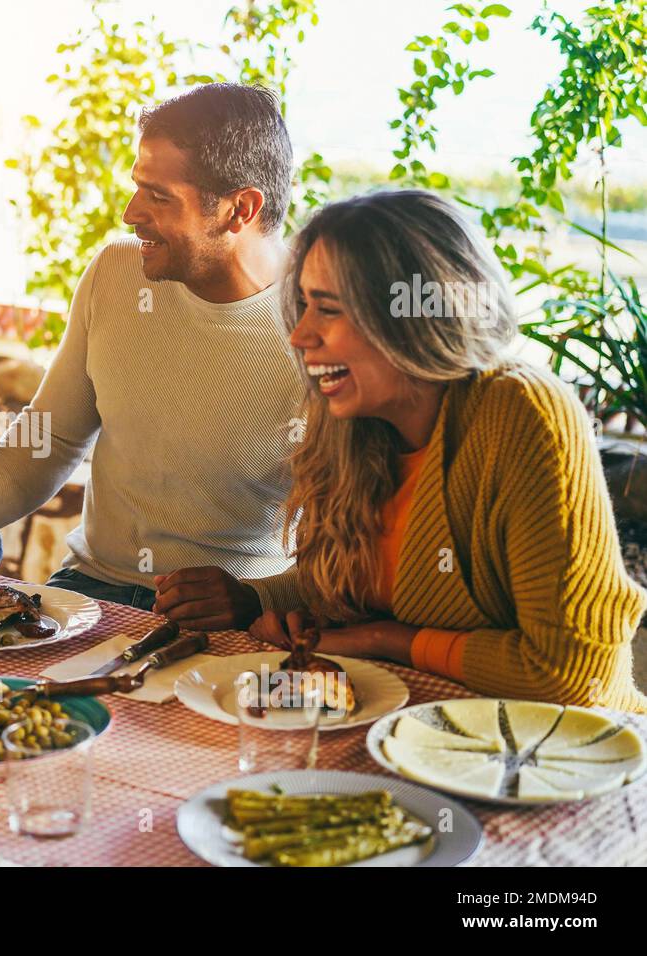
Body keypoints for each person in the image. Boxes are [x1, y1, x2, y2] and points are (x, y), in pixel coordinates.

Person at [0, 83, 301, 616]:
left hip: (231, 618)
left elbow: (346, 538)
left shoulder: (315, 324)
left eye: (159, 196)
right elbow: (53, 435)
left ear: (239, 209)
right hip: (88, 589)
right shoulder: (117, 272)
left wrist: (254, 599)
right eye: (138, 188)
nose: (131, 213)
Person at [242, 189, 646, 711]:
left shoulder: (524, 413)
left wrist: (383, 640)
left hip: (567, 755)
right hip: (419, 735)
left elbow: (569, 674)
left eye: (328, 309)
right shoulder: (350, 425)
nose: (299, 336)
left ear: (412, 317)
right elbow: (367, 578)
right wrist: (257, 599)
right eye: (302, 306)